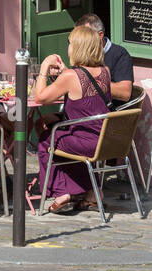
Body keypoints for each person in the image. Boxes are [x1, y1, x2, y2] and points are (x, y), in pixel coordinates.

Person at [34, 23, 111, 214]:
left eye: (70, 44)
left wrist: (44, 67)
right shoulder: (105, 72)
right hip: (104, 139)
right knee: (61, 133)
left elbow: (40, 97)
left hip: (86, 142)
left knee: (46, 140)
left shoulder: (70, 76)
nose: (68, 48)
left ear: (78, 47)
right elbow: (87, 102)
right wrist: (66, 73)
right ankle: (92, 192)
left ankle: (62, 193)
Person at [79, 12, 134, 104]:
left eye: (86, 37)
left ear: (100, 35)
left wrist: (86, 81)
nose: (81, 42)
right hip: (81, 109)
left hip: (103, 114)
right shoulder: (81, 52)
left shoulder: (119, 54)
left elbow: (125, 93)